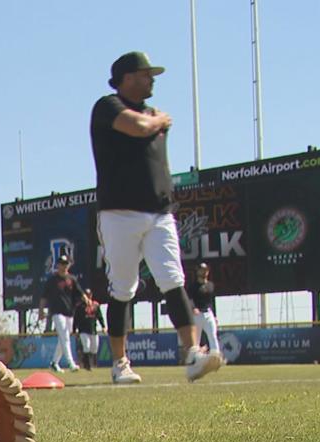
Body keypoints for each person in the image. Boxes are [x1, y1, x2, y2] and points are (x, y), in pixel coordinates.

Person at [90, 51, 222, 384]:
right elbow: (137, 128)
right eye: (146, 74)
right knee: (123, 288)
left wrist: (157, 120)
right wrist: (159, 121)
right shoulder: (108, 106)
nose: (152, 80)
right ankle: (120, 363)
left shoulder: (154, 114)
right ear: (127, 77)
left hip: (159, 212)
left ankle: (193, 354)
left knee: (173, 279)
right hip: (119, 213)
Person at [38, 254, 86, 372]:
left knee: (63, 338)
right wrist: (41, 311)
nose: (64, 266)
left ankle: (54, 363)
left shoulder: (72, 279)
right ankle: (71, 363)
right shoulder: (52, 280)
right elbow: (43, 297)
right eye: (61, 264)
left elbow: (80, 292)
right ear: (57, 265)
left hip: (69, 312)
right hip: (57, 312)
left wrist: (86, 299)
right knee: (65, 337)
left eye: (65, 264)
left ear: (68, 265)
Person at [187, 262, 220, 355]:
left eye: (206, 270)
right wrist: (193, 308)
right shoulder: (193, 286)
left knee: (212, 336)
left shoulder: (210, 285)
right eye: (202, 270)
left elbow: (211, 301)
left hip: (208, 313)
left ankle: (215, 356)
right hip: (197, 315)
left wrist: (215, 316)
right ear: (198, 271)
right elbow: (189, 300)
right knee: (196, 340)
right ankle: (196, 358)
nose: (204, 272)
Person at [73, 288, 106, 371]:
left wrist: (103, 326)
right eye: (86, 295)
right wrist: (74, 329)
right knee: (86, 346)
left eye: (89, 295)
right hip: (83, 330)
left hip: (93, 329)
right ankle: (87, 365)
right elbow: (76, 319)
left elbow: (100, 317)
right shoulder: (79, 306)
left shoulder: (95, 305)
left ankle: (94, 364)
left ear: (91, 295)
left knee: (94, 348)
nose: (87, 297)